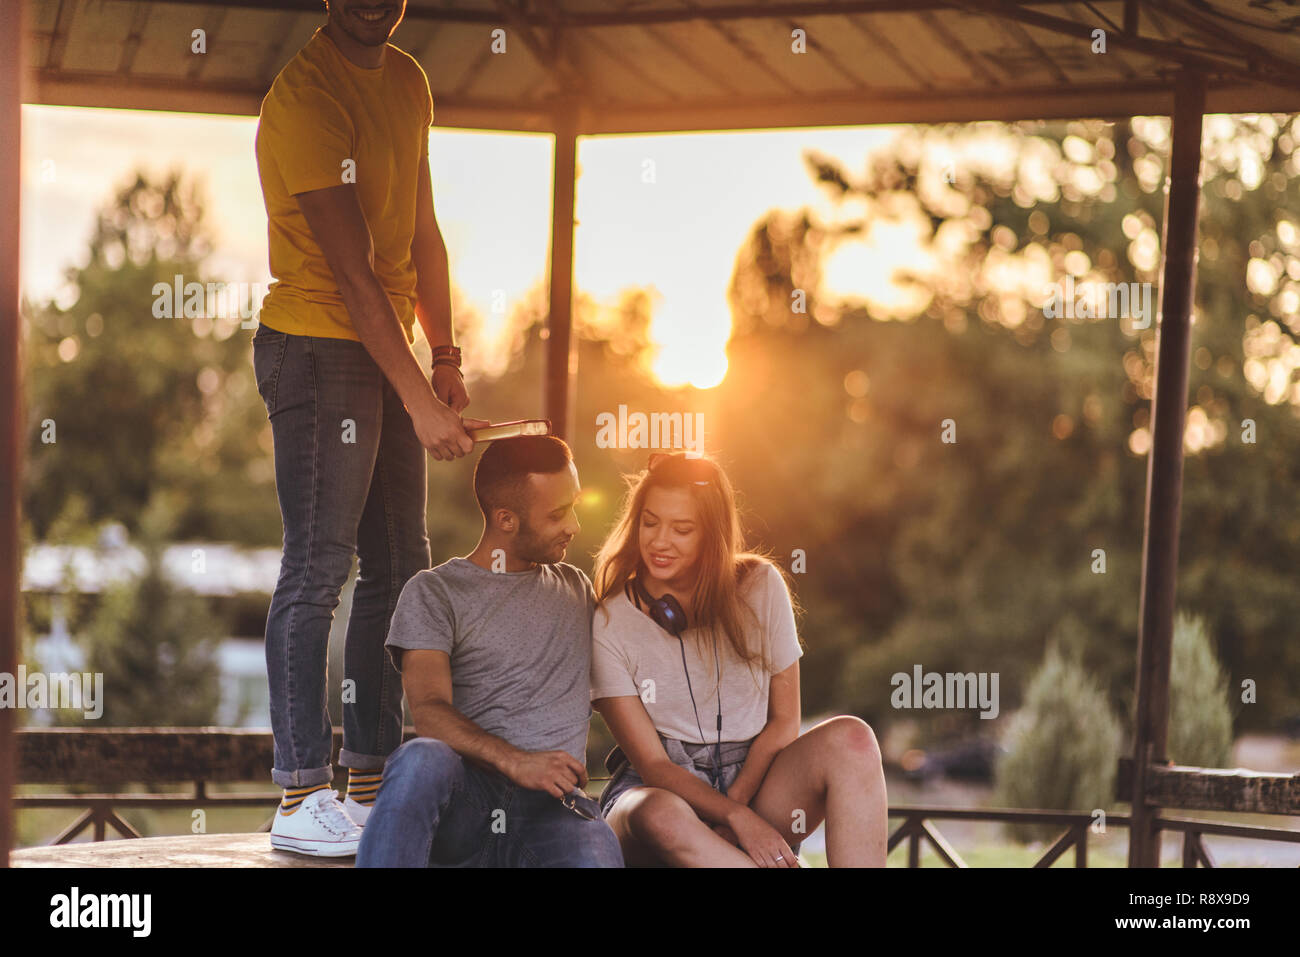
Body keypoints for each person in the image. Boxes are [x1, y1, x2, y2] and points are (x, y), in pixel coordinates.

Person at [252, 0, 486, 856]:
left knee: (400, 565)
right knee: (319, 565)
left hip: (383, 344)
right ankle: (298, 788)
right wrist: (418, 398)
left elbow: (422, 233)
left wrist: (447, 354)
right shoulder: (305, 97)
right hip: (316, 343)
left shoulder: (411, 81)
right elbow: (352, 276)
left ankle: (368, 775)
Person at [590, 452, 888, 867]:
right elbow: (655, 766)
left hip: (755, 779)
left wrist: (742, 807)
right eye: (650, 521)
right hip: (658, 793)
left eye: (682, 529)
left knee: (853, 739)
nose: (659, 541)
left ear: (711, 535)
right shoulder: (608, 619)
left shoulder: (761, 586)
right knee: (660, 814)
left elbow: (785, 721)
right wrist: (735, 816)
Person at [356, 436, 624, 867]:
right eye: (557, 514)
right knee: (421, 758)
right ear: (506, 519)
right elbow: (428, 710)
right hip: (466, 808)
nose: (573, 525)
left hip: (554, 814)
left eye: (572, 506)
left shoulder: (577, 589)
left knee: (596, 849)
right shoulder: (434, 592)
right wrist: (517, 762)